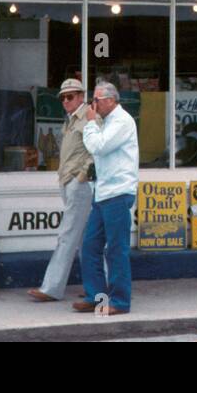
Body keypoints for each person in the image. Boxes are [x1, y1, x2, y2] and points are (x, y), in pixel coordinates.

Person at [72, 81, 139, 315]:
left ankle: (120, 301)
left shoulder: (122, 121)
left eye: (96, 100)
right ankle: (96, 296)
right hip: (104, 193)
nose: (93, 105)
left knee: (115, 249)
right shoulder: (109, 122)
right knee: (90, 246)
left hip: (118, 193)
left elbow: (98, 146)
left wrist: (90, 122)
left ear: (111, 99)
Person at [29, 78, 94, 302]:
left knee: (67, 236)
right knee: (87, 238)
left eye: (71, 96)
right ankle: (98, 287)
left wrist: (82, 175)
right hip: (69, 181)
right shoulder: (71, 120)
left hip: (80, 184)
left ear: (81, 97)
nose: (65, 101)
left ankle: (51, 288)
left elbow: (96, 149)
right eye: (63, 97)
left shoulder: (88, 117)